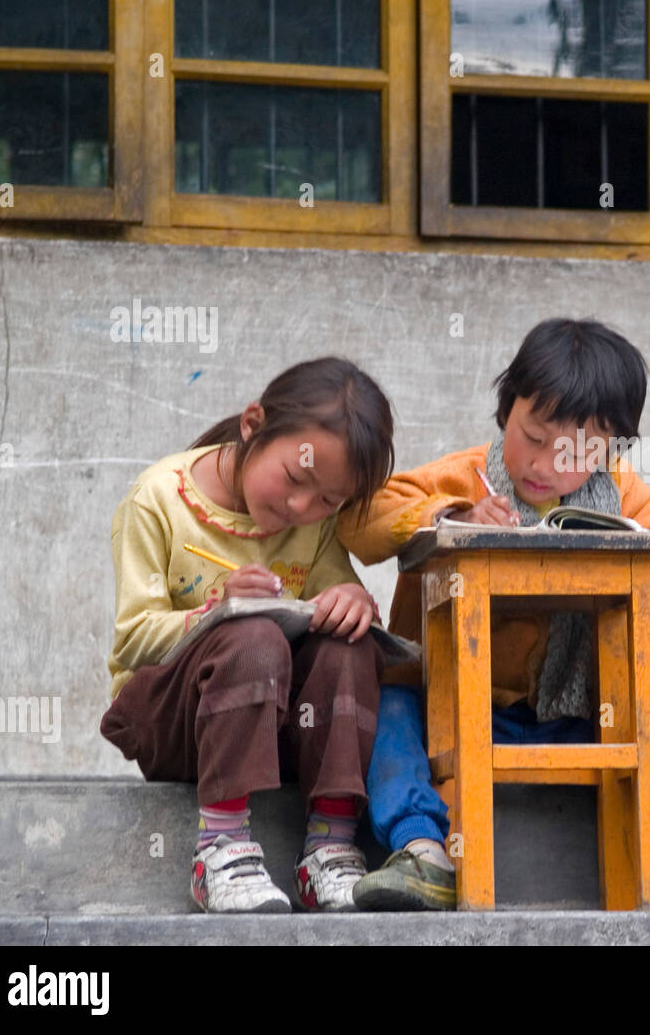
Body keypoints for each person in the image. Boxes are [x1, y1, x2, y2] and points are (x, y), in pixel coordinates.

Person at [339, 318, 650, 911]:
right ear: (506, 409)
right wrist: (454, 514)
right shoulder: (458, 475)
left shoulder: (629, 498)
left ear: (611, 447)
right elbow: (360, 520)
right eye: (534, 435)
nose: (544, 463)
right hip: (457, 708)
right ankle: (424, 854)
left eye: (574, 451)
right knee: (389, 702)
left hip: (588, 713)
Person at [101, 357, 394, 913]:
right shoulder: (157, 499)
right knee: (252, 634)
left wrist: (355, 600)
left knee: (348, 645)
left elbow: (338, 597)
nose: (302, 509)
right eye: (295, 479)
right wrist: (218, 611)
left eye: (327, 501)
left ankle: (329, 849)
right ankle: (223, 849)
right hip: (175, 727)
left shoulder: (314, 524)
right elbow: (133, 641)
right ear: (253, 425)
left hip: (273, 729)